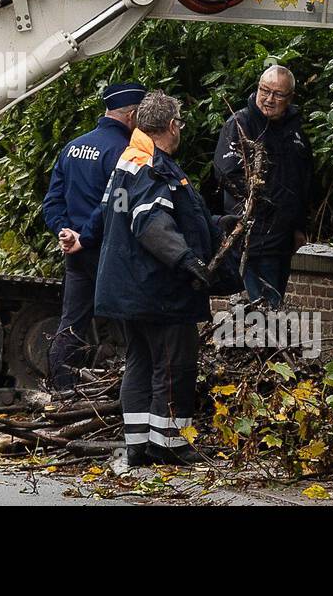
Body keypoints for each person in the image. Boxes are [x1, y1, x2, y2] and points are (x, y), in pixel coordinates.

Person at [93, 91, 225, 466]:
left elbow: (120, 214)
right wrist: (186, 260)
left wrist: (216, 227)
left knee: (139, 362)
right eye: (179, 124)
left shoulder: (128, 161)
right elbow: (150, 222)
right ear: (171, 126)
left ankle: (137, 444)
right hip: (158, 291)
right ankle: (168, 446)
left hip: (128, 290)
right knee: (173, 366)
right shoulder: (155, 166)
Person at [42, 81, 146, 390]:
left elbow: (52, 201)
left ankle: (59, 390)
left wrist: (65, 232)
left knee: (71, 325)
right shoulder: (125, 152)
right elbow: (115, 204)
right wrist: (85, 237)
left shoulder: (73, 146)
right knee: (131, 325)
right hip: (107, 251)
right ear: (133, 114)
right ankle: (133, 393)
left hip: (75, 252)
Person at [212, 64, 314, 308]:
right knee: (263, 308)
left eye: (277, 94)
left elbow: (304, 181)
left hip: (283, 240)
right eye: (264, 90)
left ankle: (270, 344)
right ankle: (264, 344)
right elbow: (226, 173)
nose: (269, 99)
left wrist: (299, 226)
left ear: (290, 98)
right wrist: (263, 207)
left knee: (275, 305)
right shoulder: (239, 125)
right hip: (254, 237)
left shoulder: (295, 132)